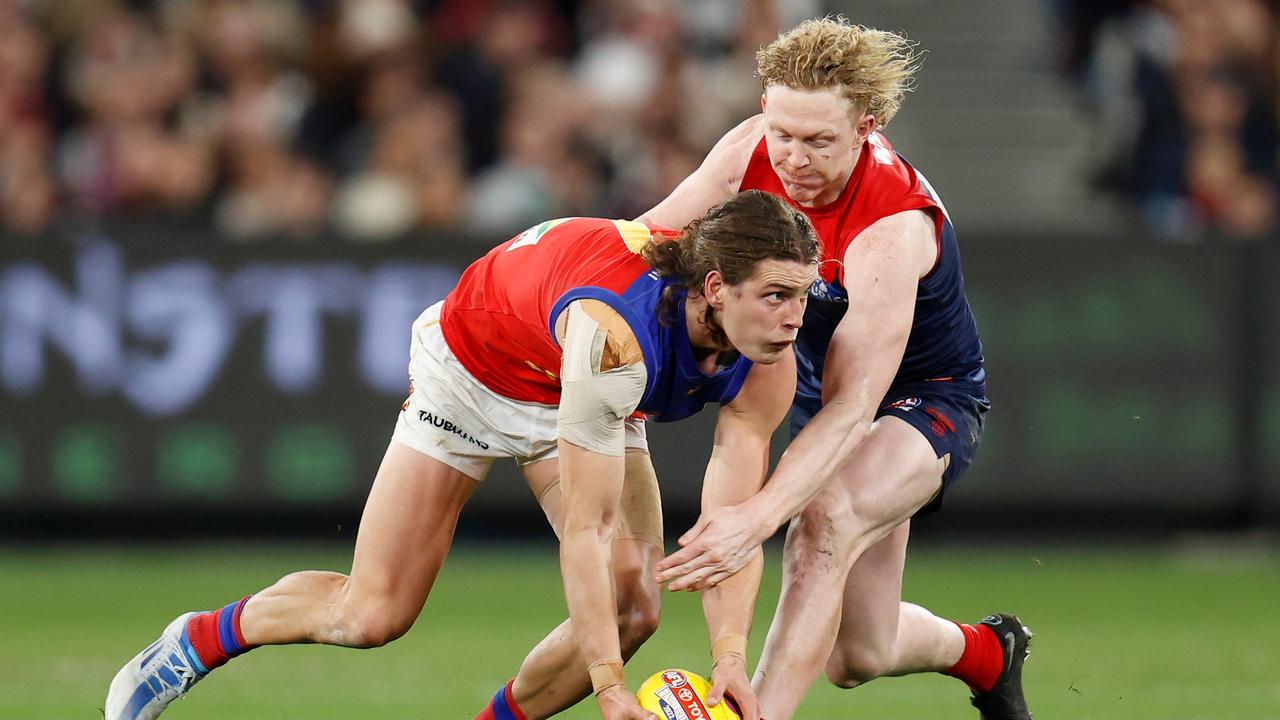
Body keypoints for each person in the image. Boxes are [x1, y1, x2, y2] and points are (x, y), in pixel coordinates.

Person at [104, 189, 820, 720]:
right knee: (372, 614)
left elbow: (735, 524)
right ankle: (197, 640)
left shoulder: (771, 354)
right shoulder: (617, 340)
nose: (794, 316)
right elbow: (587, 532)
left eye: (803, 295)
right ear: (717, 288)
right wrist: (608, 690)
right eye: (777, 295)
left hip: (573, 383)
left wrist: (730, 657)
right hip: (474, 371)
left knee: (635, 605)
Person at [638, 17, 1033, 720]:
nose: (791, 158)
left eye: (818, 141)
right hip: (822, 396)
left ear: (866, 128)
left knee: (823, 516)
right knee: (860, 655)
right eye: (782, 132)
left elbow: (857, 408)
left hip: (924, 401)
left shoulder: (892, 225)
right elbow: (645, 246)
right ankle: (988, 653)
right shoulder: (747, 152)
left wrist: (754, 518)